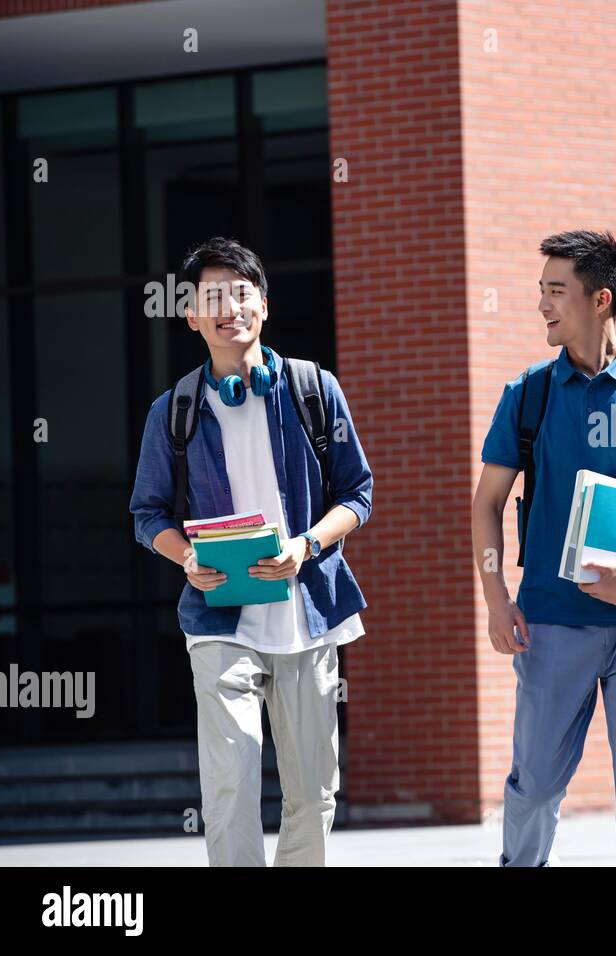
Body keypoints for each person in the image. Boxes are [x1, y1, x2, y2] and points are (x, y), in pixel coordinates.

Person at [129, 237, 373, 866]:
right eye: (211, 297)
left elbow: (358, 494)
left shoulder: (312, 390)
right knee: (232, 783)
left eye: (240, 294)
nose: (227, 308)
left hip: (308, 615)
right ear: (189, 314)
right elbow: (147, 513)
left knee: (314, 794)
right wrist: (185, 558)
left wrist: (307, 544)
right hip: (218, 619)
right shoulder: (173, 412)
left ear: (263, 305)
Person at [472, 230, 616, 866]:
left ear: (601, 299)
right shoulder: (528, 397)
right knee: (537, 782)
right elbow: (487, 503)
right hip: (550, 620)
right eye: (540, 291)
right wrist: (497, 599)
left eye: (556, 291)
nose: (542, 305)